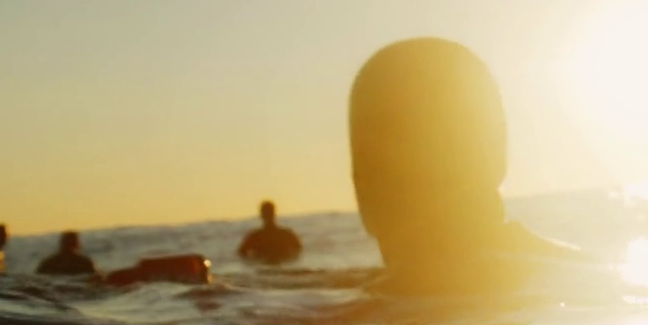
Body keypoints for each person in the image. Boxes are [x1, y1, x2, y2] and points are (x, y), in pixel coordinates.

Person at [348, 37, 578, 291]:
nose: (416, 185)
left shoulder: (339, 312)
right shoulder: (578, 280)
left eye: (437, 151)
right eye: (384, 169)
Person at [238, 201, 303, 265]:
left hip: (262, 269)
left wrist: (253, 262)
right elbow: (298, 251)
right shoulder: (286, 234)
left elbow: (242, 254)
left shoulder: (255, 236)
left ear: (261, 216)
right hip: (282, 268)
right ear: (275, 214)